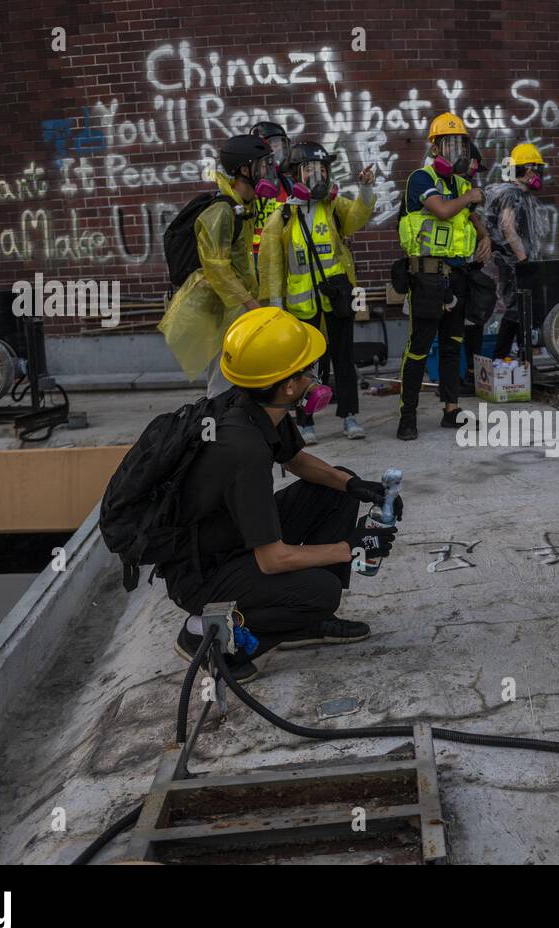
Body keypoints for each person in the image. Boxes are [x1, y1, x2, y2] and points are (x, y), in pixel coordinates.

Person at [157, 308, 401, 683]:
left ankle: (306, 623)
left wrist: (356, 486)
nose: (315, 377)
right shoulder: (244, 451)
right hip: (204, 575)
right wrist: (350, 547)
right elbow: (272, 559)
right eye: (309, 370)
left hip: (229, 539)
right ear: (288, 385)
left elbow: (296, 460)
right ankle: (207, 634)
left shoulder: (253, 405)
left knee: (335, 487)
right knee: (323, 591)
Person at [258, 141, 377, 444]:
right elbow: (271, 268)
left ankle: (349, 416)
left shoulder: (335, 209)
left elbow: (358, 216)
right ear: (296, 175)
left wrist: (364, 190)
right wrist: (275, 310)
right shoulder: (281, 218)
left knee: (344, 359)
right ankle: (305, 420)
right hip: (301, 309)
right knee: (303, 368)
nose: (317, 175)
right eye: (309, 169)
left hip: (335, 301)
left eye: (321, 169)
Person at [396, 112, 493, 440]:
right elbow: (443, 210)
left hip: (457, 276)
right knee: (419, 346)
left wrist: (485, 237)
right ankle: (407, 416)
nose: (455, 151)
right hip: (427, 277)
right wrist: (469, 198)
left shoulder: (461, 184)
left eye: (460, 144)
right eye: (448, 144)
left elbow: (473, 218)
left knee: (453, 345)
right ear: (434, 147)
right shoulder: (421, 179)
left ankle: (451, 409)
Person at [159, 134, 275, 397]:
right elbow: (216, 267)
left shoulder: (243, 206)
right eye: (263, 165)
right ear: (245, 169)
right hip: (222, 311)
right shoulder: (222, 210)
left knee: (241, 379)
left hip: (236, 309)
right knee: (222, 381)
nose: (269, 171)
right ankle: (216, 431)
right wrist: (250, 303)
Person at [477, 143, 552, 366]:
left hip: (512, 261)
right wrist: (523, 260)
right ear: (529, 170)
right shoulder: (512, 194)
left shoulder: (515, 193)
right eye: (538, 169)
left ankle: (521, 359)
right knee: (516, 309)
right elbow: (508, 228)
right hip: (513, 263)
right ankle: (502, 357)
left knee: (521, 309)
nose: (540, 174)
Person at [249, 121, 295, 273]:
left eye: (281, 145)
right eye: (274, 145)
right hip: (253, 256)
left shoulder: (288, 183)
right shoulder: (247, 184)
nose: (278, 150)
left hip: (282, 253)